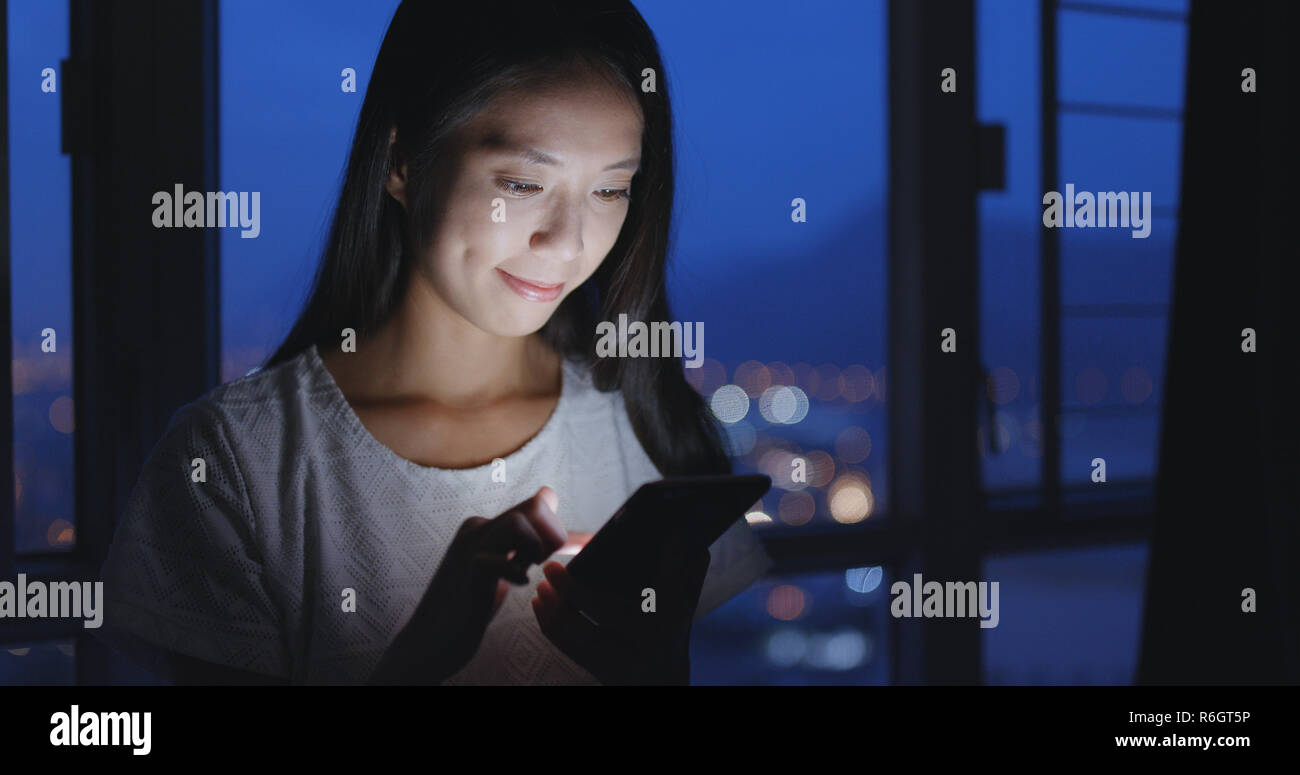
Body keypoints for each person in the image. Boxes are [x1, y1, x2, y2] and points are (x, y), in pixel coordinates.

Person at [95, 0, 772, 685]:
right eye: (522, 183)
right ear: (402, 162)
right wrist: (416, 663)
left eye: (609, 189)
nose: (569, 241)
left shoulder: (641, 420)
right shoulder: (238, 464)